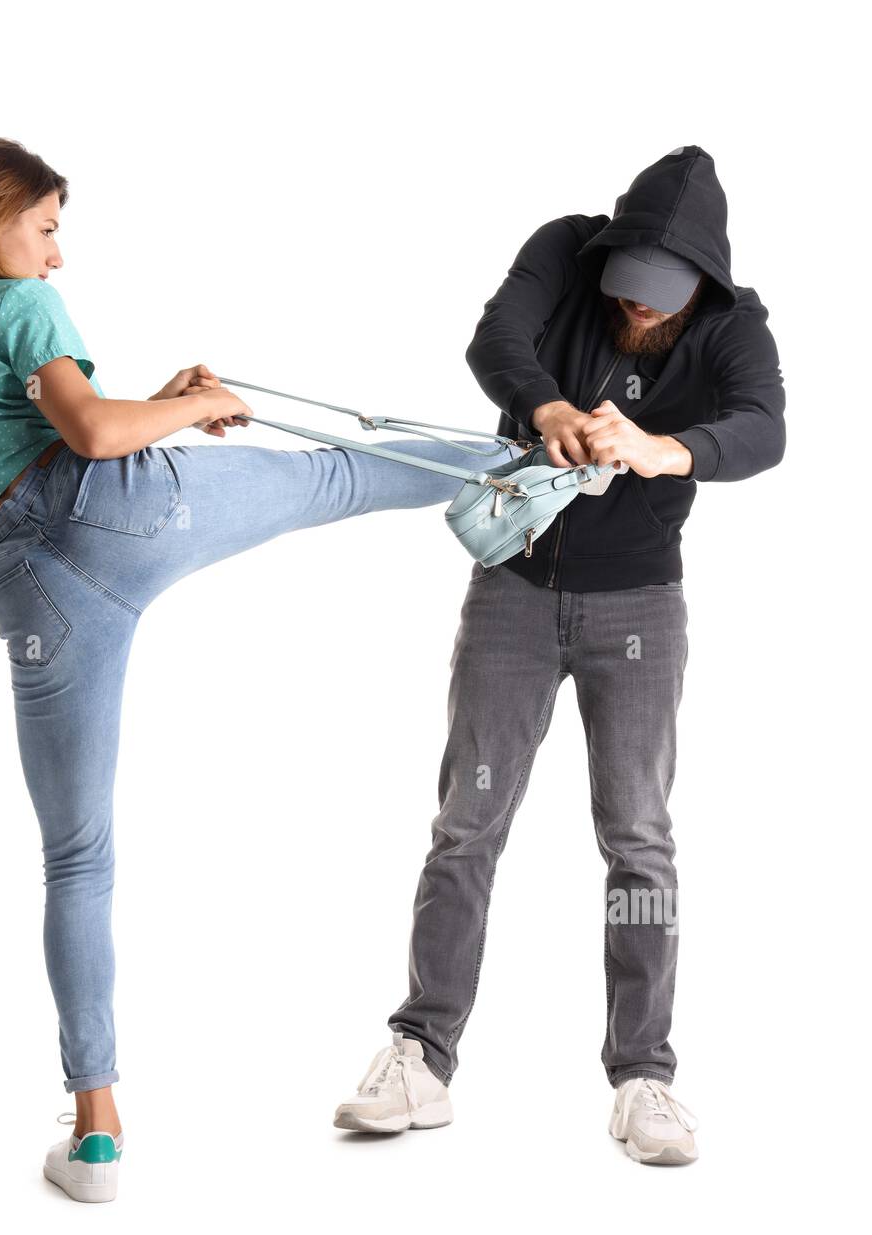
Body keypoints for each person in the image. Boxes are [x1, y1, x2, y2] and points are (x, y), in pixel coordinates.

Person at [0, 137, 499, 1202]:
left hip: (31, 592)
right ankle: (546, 461)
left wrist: (153, 404)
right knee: (338, 476)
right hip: (116, 512)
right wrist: (193, 409)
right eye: (47, 224)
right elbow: (93, 432)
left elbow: (54, 428)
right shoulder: (14, 305)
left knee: (77, 859)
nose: (56, 253)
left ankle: (99, 1133)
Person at [333, 146, 786, 1165]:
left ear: (703, 285)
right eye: (626, 293)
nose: (636, 314)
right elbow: (497, 337)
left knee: (639, 840)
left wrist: (670, 450)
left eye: (657, 302)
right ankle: (421, 1052)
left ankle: (644, 1078)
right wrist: (547, 409)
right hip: (515, 595)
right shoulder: (566, 249)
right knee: (466, 825)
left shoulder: (733, 324)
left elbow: (764, 430)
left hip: (640, 611)